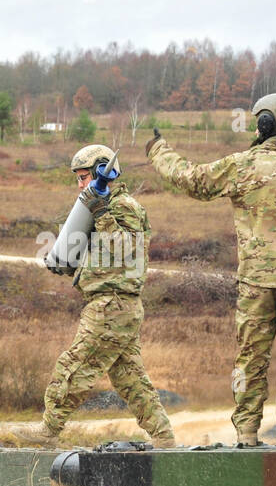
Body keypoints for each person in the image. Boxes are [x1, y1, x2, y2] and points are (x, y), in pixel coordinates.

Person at [145, 93, 276, 446]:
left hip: (256, 282)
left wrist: (159, 150)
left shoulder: (242, 165)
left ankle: (247, 433)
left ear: (263, 125)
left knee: (251, 356)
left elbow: (191, 179)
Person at [15, 144, 176, 448]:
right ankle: (164, 438)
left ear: (105, 171)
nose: (81, 185)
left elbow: (127, 252)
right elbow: (102, 256)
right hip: (117, 306)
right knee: (131, 379)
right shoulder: (99, 209)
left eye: (85, 176)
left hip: (111, 305)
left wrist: (100, 212)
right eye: (77, 179)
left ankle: (48, 430)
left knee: (73, 365)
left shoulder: (123, 206)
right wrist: (68, 265)